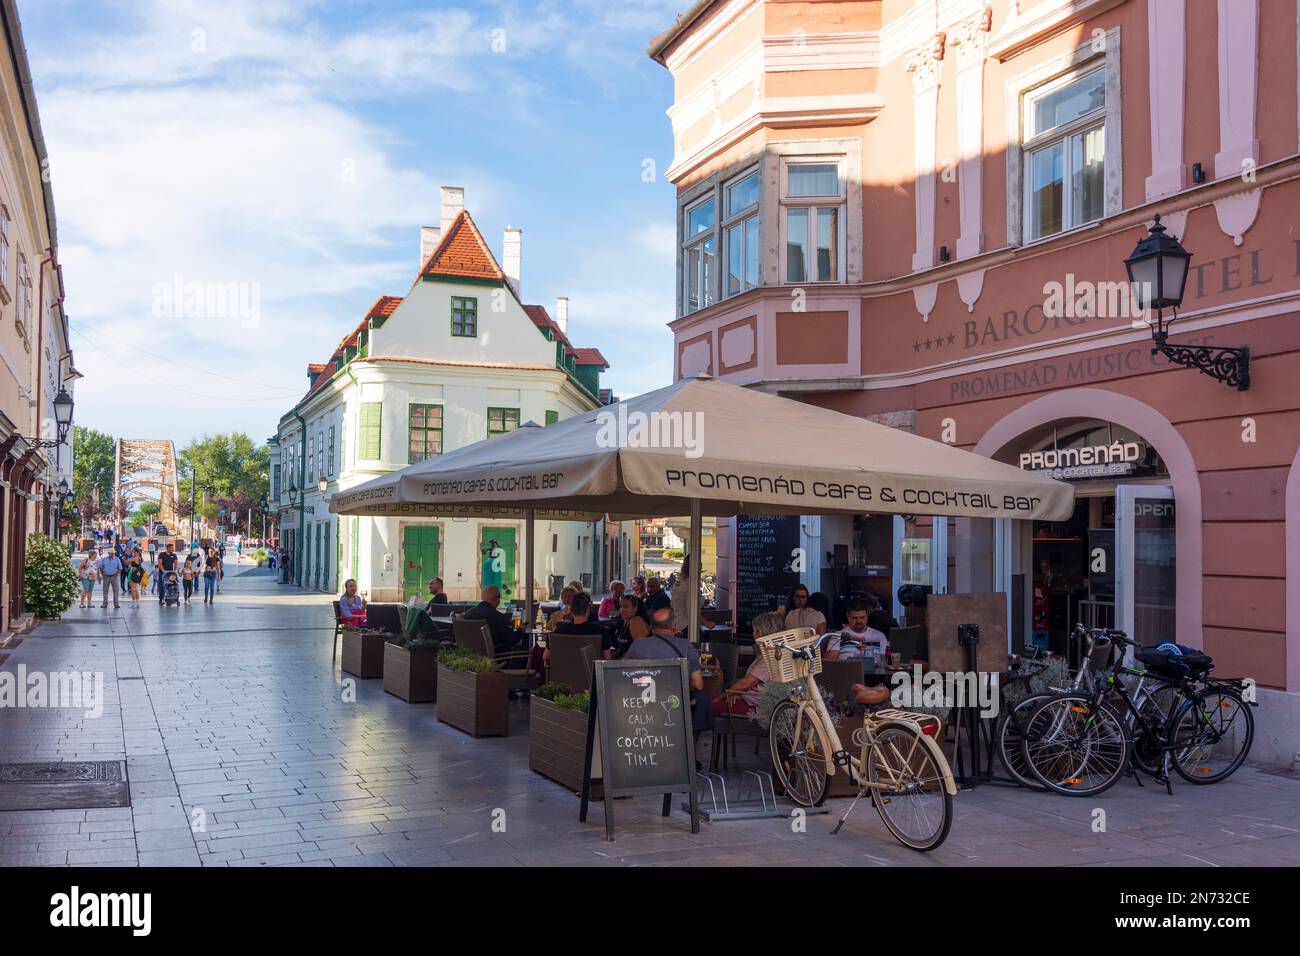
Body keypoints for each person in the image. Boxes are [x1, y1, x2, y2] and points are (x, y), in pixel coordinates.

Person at [624, 605, 710, 740]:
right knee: (700, 699)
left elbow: (624, 677)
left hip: (643, 704)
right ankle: (690, 751)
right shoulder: (685, 645)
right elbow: (699, 684)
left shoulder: (637, 645)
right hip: (674, 703)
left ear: (651, 628)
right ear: (674, 627)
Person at [712, 610, 784, 716]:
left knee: (709, 706)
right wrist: (735, 693)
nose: (753, 634)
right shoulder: (776, 652)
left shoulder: (769, 656)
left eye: (754, 631)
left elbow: (746, 684)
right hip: (754, 701)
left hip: (754, 708)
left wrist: (723, 695)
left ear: (759, 632)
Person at [545, 592, 605, 668]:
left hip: (561, 677)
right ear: (588, 610)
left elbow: (545, 657)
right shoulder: (600, 632)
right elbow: (607, 659)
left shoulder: (558, 631)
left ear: (571, 611)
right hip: (590, 677)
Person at [824, 598, 889, 662]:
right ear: (848, 616)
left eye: (862, 617)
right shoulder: (838, 636)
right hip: (846, 671)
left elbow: (885, 663)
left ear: (867, 615)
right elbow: (829, 663)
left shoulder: (879, 636)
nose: (859, 621)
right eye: (855, 618)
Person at [463, 584, 521, 655]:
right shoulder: (496, 616)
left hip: (471, 656)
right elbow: (511, 639)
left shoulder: (469, 612)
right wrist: (521, 629)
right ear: (495, 598)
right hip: (495, 658)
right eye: (499, 597)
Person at [610, 592, 651, 659]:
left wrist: (620, 661)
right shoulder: (626, 621)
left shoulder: (636, 621)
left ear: (635, 608)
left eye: (626, 607)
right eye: (620, 606)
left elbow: (640, 651)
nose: (622, 610)